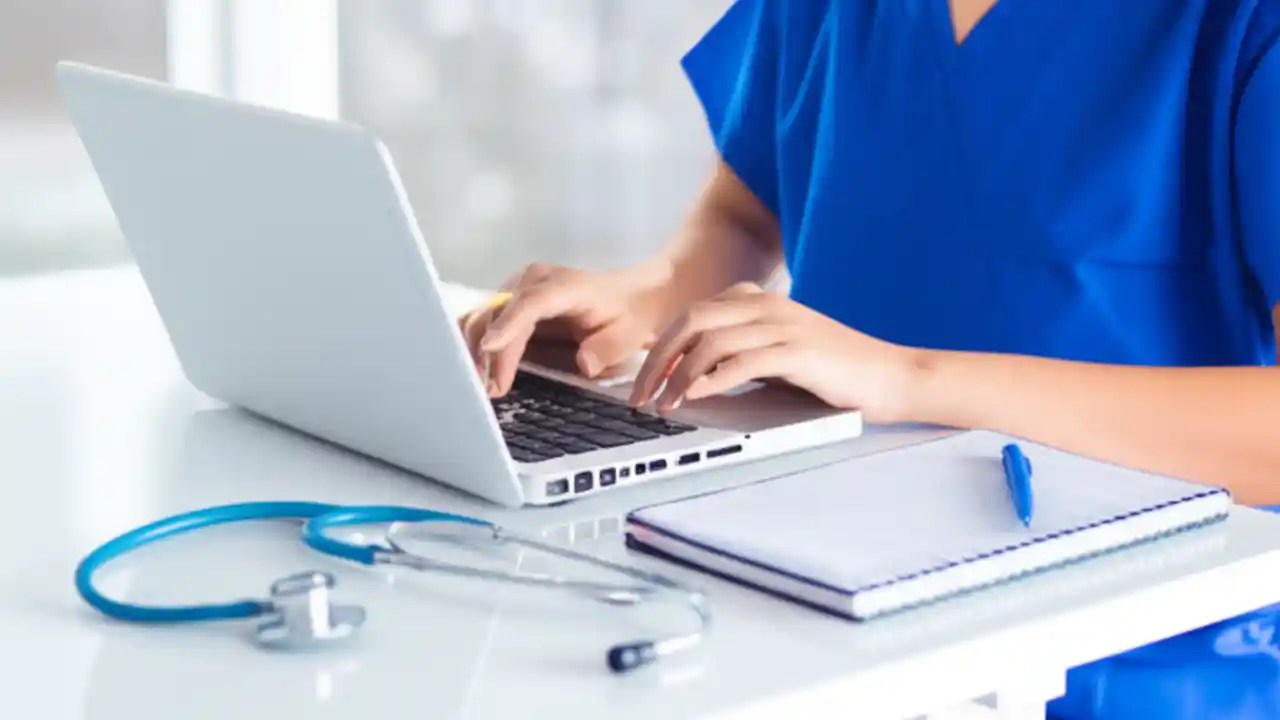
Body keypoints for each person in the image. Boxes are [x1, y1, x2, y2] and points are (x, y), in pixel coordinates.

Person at [459, 1, 1280, 717]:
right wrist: (645, 301)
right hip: (816, 600)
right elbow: (743, 215)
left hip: (1141, 653)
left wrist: (907, 379)